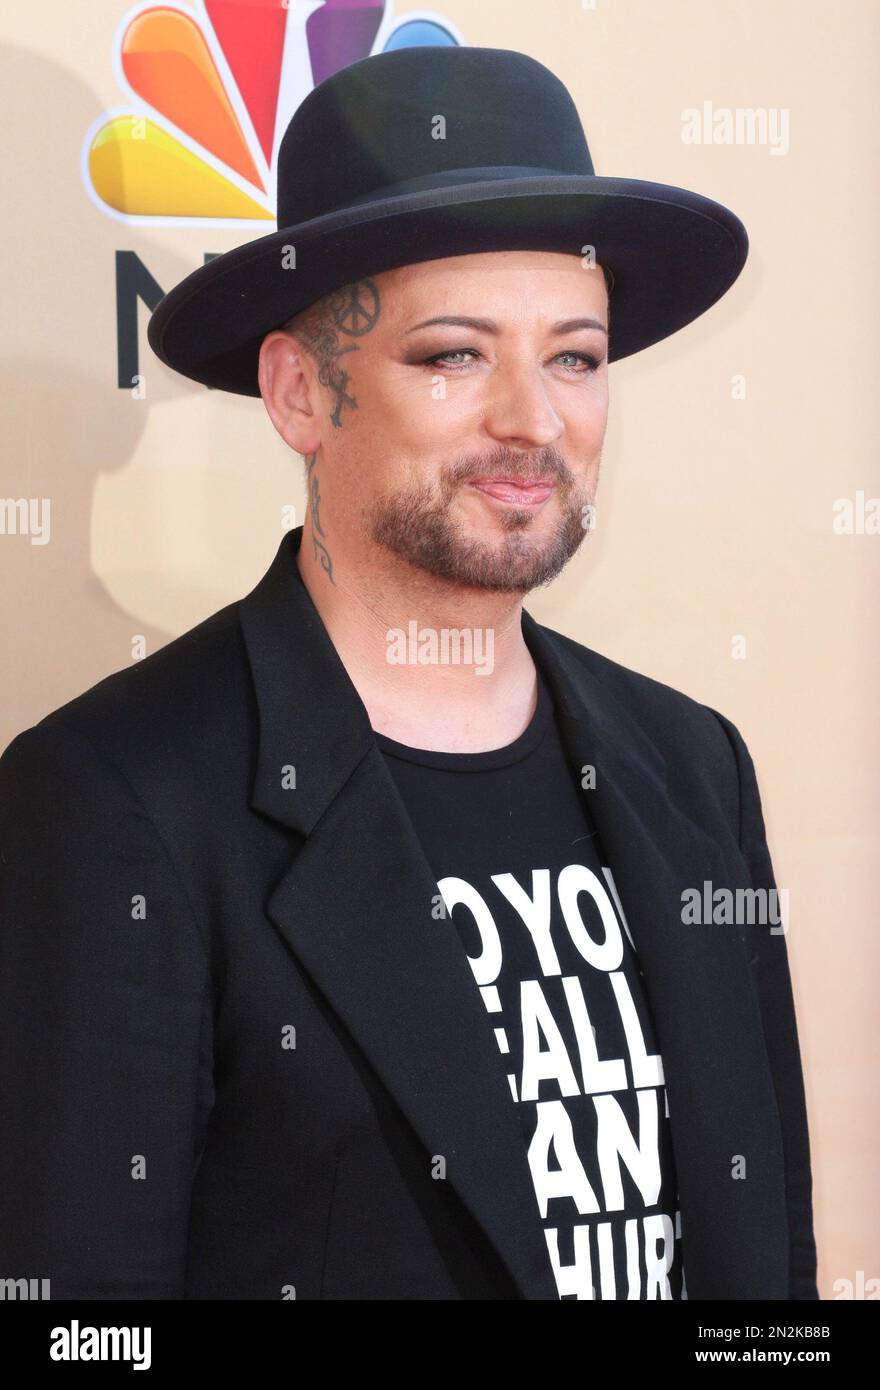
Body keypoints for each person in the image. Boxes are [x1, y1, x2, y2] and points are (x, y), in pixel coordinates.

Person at [0, 45, 818, 1300]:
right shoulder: (116, 801)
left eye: (575, 356)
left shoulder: (692, 763)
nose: (533, 422)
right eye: (452, 354)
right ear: (298, 393)